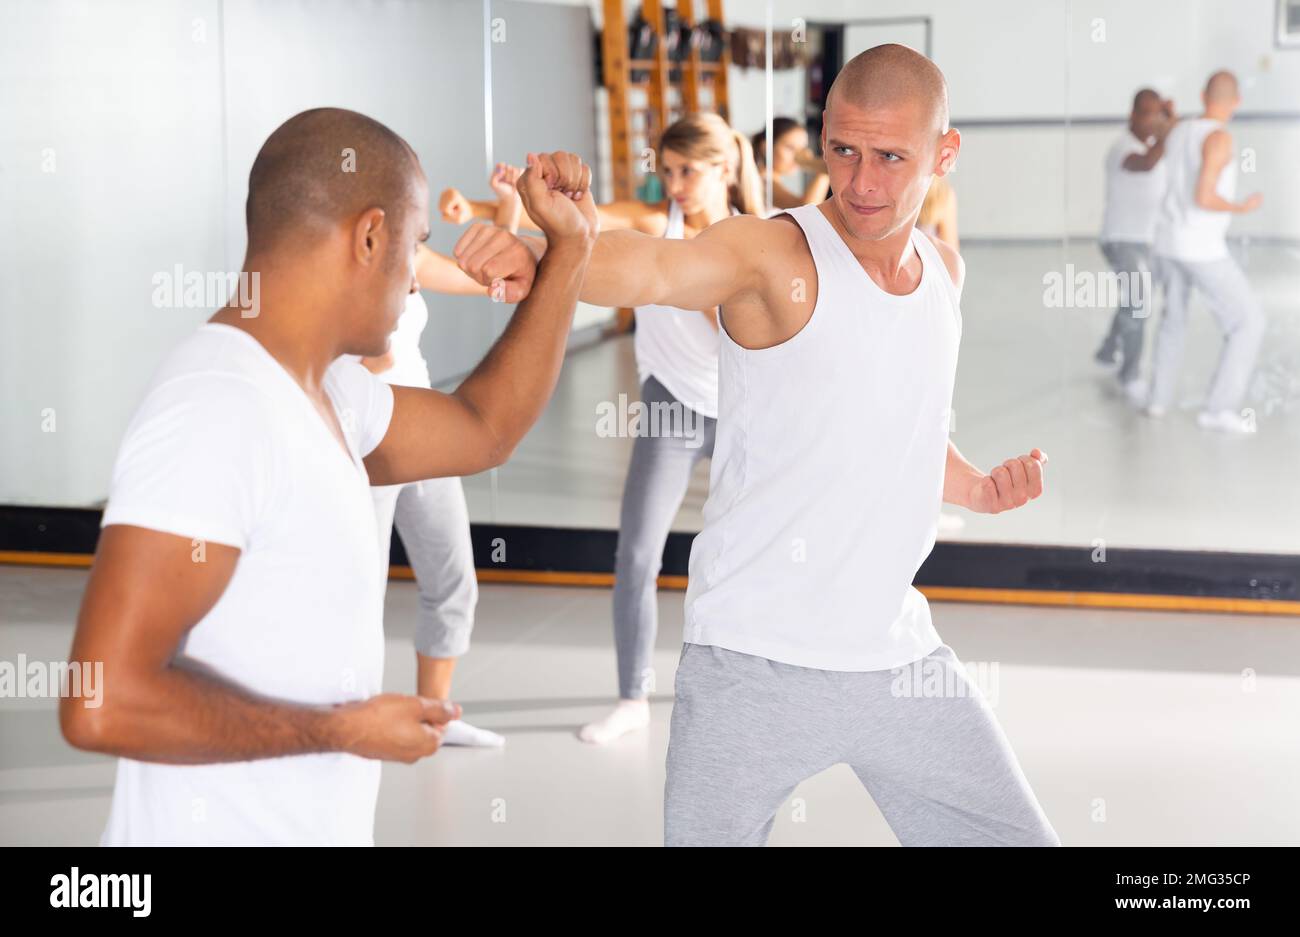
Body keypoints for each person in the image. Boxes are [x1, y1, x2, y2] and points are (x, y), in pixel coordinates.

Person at [462, 45, 1059, 846]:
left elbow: (902, 428)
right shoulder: (774, 252)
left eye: (891, 156)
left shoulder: (945, 274)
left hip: (895, 655)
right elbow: (660, 269)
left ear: (944, 154)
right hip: (750, 661)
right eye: (843, 150)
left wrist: (978, 488)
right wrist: (546, 254)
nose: (862, 181)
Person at [60, 106, 597, 845]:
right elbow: (104, 699)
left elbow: (484, 426)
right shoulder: (218, 404)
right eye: (414, 247)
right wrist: (344, 728)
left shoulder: (332, 391)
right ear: (370, 235)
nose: (415, 284)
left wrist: (569, 249)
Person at [1144, 70, 1265, 433]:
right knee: (1249, 323)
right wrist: (1241, 207)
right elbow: (1204, 195)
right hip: (1201, 249)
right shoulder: (1219, 137)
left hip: (1167, 243)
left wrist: (1168, 112)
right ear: (1237, 101)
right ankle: (1218, 409)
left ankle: (1157, 401)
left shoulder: (1182, 130)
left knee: (1173, 321)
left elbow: (1166, 130)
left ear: (1202, 95)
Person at [1095, 89, 1173, 402]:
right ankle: (1130, 376)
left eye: (1158, 114)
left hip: (1146, 239)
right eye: (1147, 113)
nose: (1153, 120)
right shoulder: (1123, 148)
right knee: (1139, 303)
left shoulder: (1152, 146)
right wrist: (1171, 127)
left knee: (1133, 300)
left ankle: (1106, 350)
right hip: (1121, 240)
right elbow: (1145, 164)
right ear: (1133, 115)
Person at [751, 117, 831, 210]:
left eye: (802, 149)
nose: (797, 156)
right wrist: (826, 164)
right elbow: (805, 211)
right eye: (790, 148)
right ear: (766, 147)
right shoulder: (763, 182)